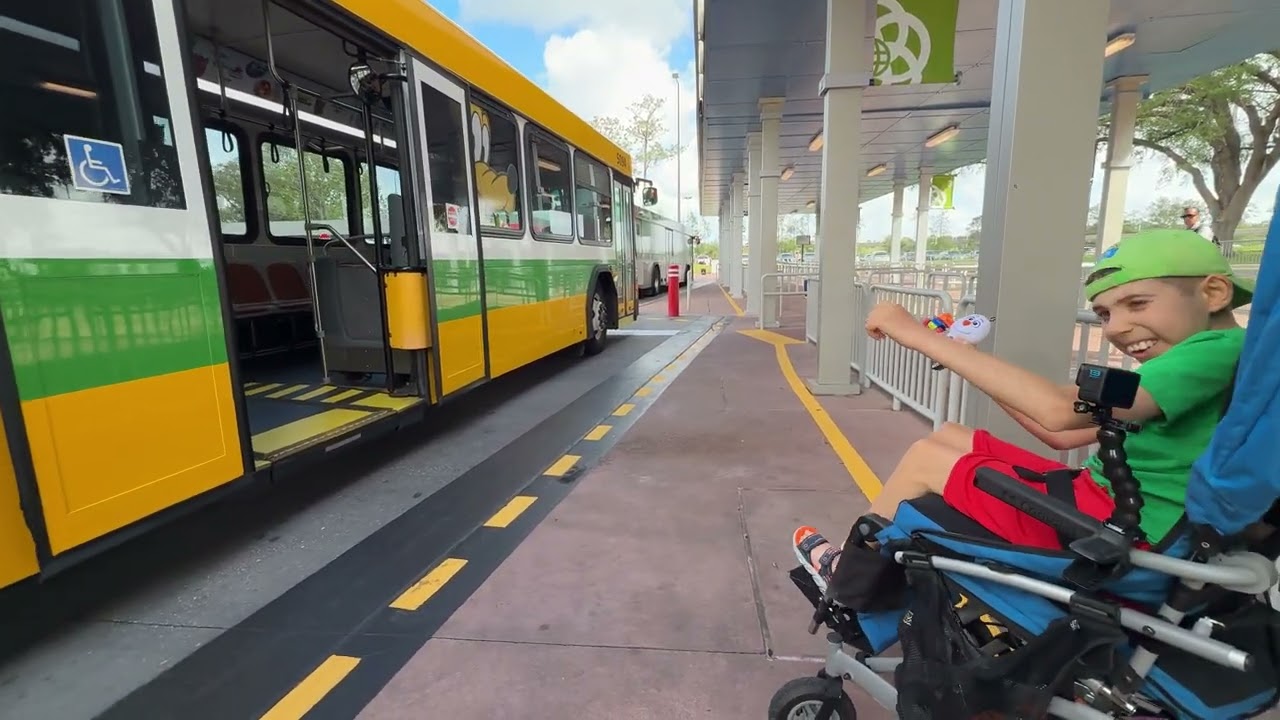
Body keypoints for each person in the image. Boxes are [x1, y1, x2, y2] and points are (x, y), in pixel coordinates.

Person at [794, 229, 1251, 586]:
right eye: (1106, 314)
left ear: (1213, 293)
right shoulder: (1205, 359)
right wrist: (960, 357)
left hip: (1125, 530)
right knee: (951, 437)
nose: (1117, 328)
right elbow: (1060, 435)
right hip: (1108, 502)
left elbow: (1058, 411)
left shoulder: (1214, 351)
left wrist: (914, 333)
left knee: (926, 459)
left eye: (1137, 304)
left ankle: (847, 573)